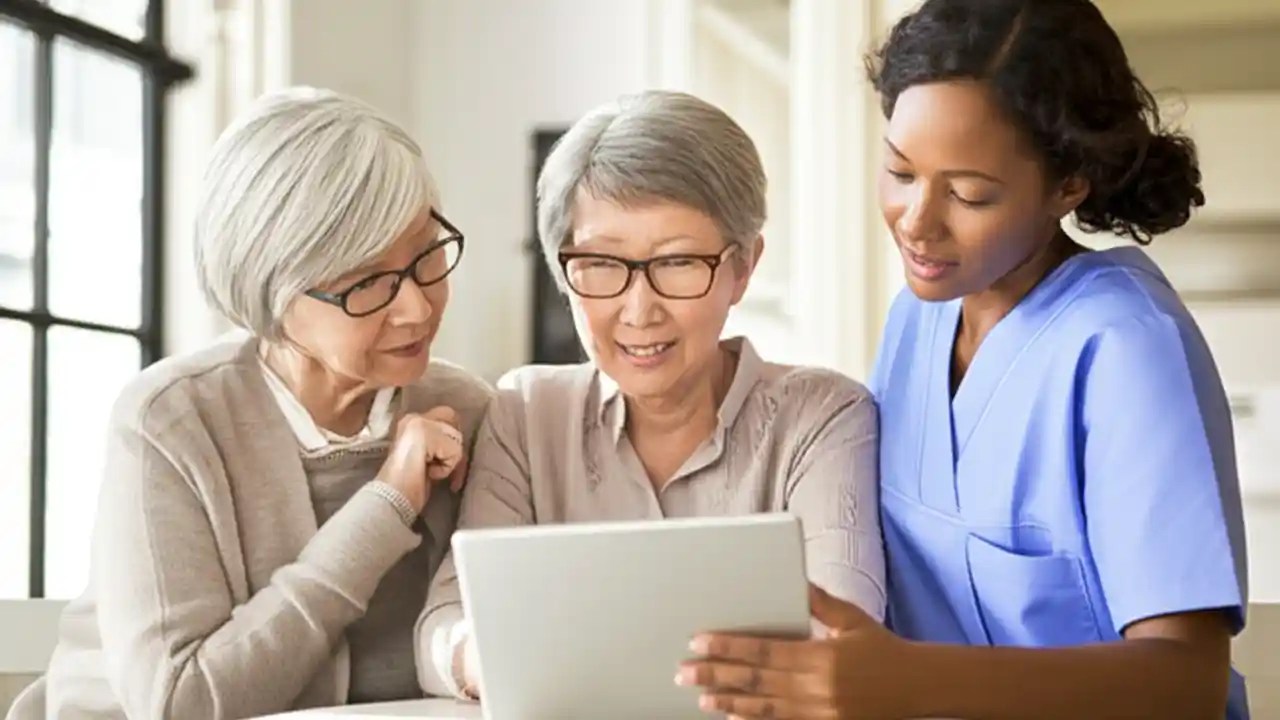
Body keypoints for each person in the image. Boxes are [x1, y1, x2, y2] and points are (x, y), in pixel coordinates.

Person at [678, 1, 1250, 718]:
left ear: (1068, 184)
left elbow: (1186, 682)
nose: (917, 222)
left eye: (970, 194)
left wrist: (905, 681)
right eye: (900, 171)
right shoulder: (917, 320)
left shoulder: (1125, 350)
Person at [8, 88, 492, 720]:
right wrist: (388, 503)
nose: (418, 308)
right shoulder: (172, 420)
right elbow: (180, 701)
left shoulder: (467, 410)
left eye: (427, 257)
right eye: (370, 282)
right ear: (271, 286)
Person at [415, 90, 885, 699]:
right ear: (564, 271)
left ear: (743, 267)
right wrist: (490, 661)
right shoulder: (526, 413)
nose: (639, 311)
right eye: (602, 265)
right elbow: (442, 629)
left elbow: (846, 636)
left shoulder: (822, 418)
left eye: (679, 263)